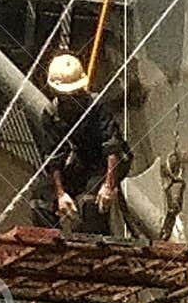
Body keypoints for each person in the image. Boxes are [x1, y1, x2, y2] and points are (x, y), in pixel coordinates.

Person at [32, 52, 131, 232]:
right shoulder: (51, 114)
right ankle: (50, 244)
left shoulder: (97, 105)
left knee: (90, 203)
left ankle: (95, 246)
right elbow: (53, 157)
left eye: (74, 94)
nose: (70, 99)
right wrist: (60, 194)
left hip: (108, 162)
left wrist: (108, 186)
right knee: (42, 197)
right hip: (83, 161)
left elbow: (111, 146)